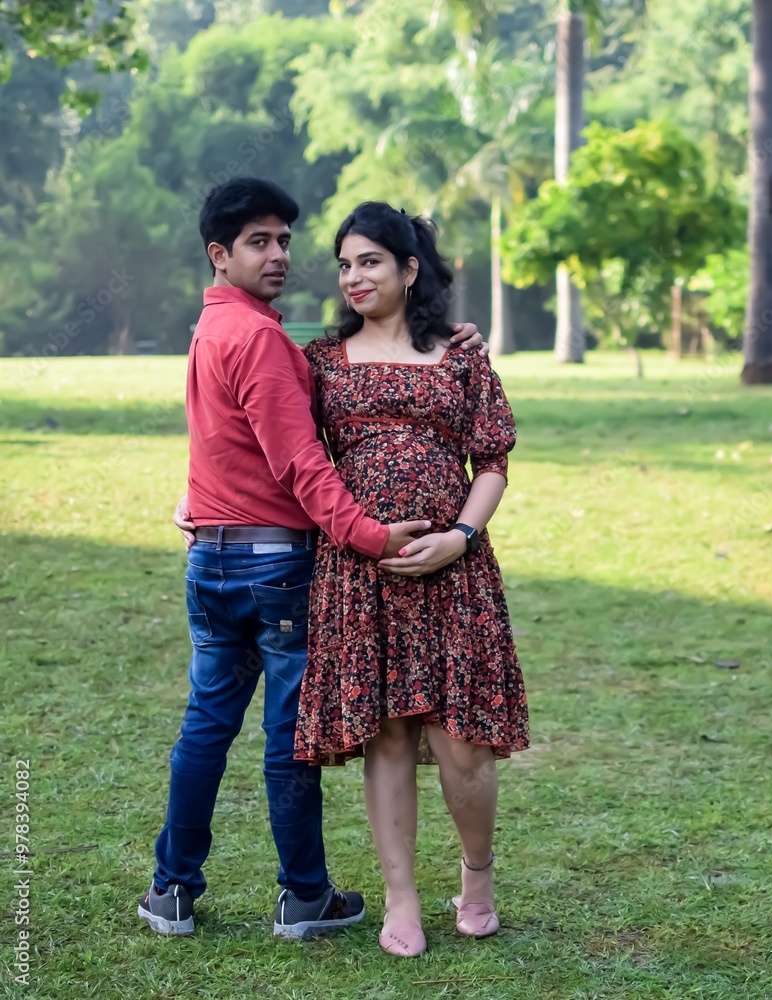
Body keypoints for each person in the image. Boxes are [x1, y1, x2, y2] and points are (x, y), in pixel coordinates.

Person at [138, 178, 486, 939]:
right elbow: (300, 465)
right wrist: (369, 536)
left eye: (285, 241)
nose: (279, 256)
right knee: (287, 738)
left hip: (214, 560)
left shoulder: (214, 328)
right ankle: (303, 896)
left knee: (205, 726)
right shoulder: (262, 339)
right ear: (219, 254)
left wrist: (197, 500)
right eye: (259, 242)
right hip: (273, 567)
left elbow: (223, 440)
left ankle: (172, 890)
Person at [293, 201, 529, 958]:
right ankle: (401, 899)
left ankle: (478, 877)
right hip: (358, 570)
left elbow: (491, 462)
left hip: (452, 570)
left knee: (463, 740)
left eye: (369, 261)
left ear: (409, 268)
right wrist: (199, 495)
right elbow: (274, 440)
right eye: (344, 264)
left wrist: (459, 536)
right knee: (387, 735)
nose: (352, 276)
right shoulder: (323, 361)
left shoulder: (462, 355)